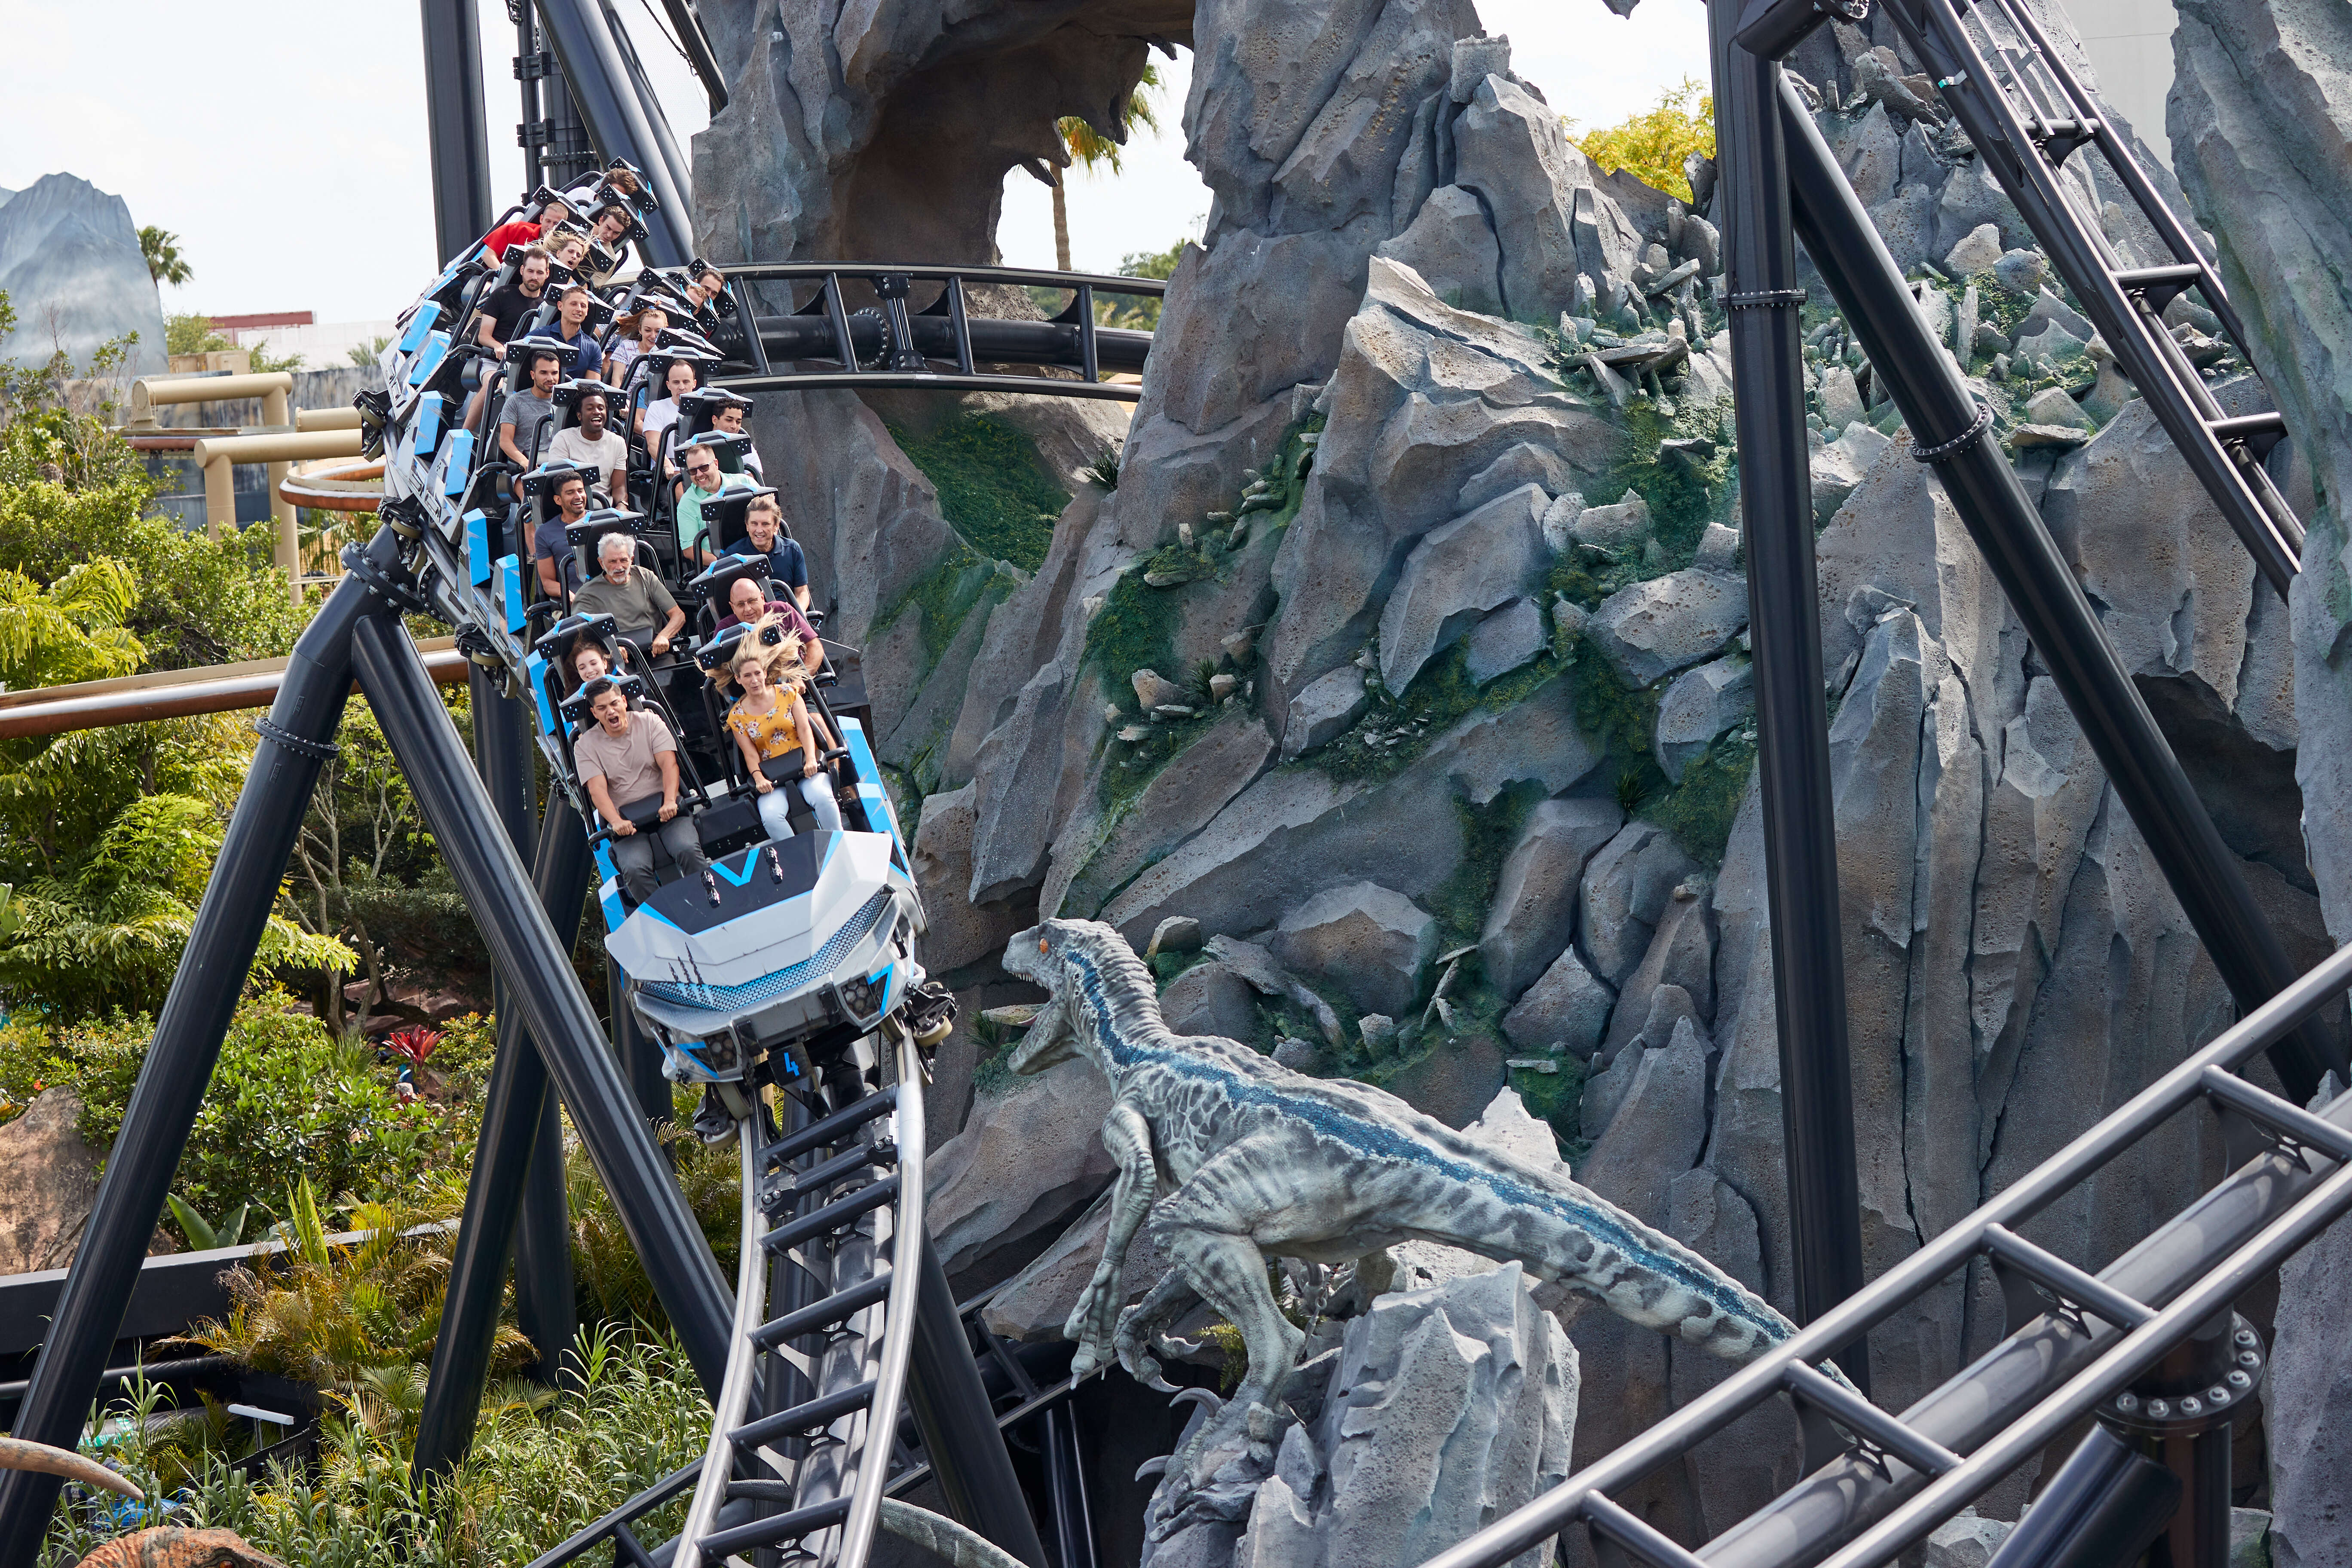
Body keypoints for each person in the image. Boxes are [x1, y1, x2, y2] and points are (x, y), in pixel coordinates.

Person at [573, 679, 709, 903]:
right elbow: (597, 791)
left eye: (614, 704)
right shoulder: (585, 746)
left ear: (624, 701)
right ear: (594, 713)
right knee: (635, 869)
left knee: (686, 848)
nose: (611, 712)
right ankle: (662, 916)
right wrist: (616, 821)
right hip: (628, 825)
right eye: (602, 708)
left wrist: (670, 801)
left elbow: (669, 765)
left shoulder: (650, 721)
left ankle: (707, 899)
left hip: (667, 811)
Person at [720, 635, 843, 842]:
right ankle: (795, 855)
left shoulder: (789, 694)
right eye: (747, 676)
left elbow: (805, 730)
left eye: (757, 673)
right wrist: (759, 778)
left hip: (804, 766)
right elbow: (750, 754)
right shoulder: (737, 717)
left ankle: (839, 842)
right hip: (773, 776)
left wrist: (811, 759)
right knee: (771, 816)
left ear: (765, 673)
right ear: (739, 679)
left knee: (822, 797)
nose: (754, 680)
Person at [465, 247, 551, 432]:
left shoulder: (546, 308)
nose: (534, 277)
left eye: (539, 273)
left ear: (547, 274)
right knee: (495, 383)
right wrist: (498, 346)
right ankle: (465, 432)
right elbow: (484, 335)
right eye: (530, 271)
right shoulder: (502, 295)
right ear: (522, 270)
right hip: (495, 363)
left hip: (527, 369)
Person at [573, 533, 686, 658]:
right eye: (612, 561)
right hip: (614, 658)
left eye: (623, 560)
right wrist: (609, 649)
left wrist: (664, 636)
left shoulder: (645, 576)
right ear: (601, 563)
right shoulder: (587, 594)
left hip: (654, 650)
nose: (619, 567)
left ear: (631, 559)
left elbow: (678, 615)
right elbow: (580, 637)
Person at [711, 573, 824, 674]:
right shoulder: (724, 630)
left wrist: (802, 679)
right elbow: (717, 673)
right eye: (741, 605)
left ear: (762, 598)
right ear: (733, 607)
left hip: (792, 677)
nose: (748, 609)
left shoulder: (781, 610)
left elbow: (815, 647)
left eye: (752, 601)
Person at [546, 386, 629, 507]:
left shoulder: (618, 442)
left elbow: (619, 487)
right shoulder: (563, 439)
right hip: (573, 504)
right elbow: (560, 484)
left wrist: (622, 505)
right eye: (590, 409)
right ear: (580, 416)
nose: (597, 412)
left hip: (604, 505)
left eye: (601, 408)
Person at [498, 347, 566, 493]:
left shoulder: (565, 404)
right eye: (544, 373)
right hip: (525, 469)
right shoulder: (516, 401)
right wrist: (525, 462)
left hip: (559, 468)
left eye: (555, 373)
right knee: (531, 496)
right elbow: (505, 441)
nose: (551, 378)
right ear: (533, 375)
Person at [674, 443, 753, 568]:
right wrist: (728, 564)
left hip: (758, 553)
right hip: (721, 566)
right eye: (693, 471)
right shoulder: (687, 504)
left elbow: (770, 517)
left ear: (716, 464)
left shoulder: (745, 483)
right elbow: (689, 550)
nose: (699, 474)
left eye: (704, 467)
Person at [727, 493, 810, 611]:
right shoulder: (733, 555)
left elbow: (802, 592)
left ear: (776, 526)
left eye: (765, 524)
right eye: (754, 524)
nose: (759, 530)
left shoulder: (792, 549)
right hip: (750, 615)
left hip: (788, 614)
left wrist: (797, 614)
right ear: (747, 526)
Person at [531, 473, 592, 600]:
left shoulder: (600, 521)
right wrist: (568, 595)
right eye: (570, 493)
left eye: (581, 491)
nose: (578, 497)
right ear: (558, 500)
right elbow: (548, 582)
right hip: (573, 600)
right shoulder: (545, 533)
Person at [526, 283, 605, 380]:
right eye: (574, 304)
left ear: (587, 311)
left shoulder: (593, 347)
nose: (579, 309)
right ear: (561, 306)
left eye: (583, 306)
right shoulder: (539, 336)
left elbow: (592, 386)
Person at [638, 358, 698, 446]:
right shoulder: (657, 408)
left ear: (694, 384)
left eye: (686, 382)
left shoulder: (702, 410)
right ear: (668, 385)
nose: (682, 387)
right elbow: (653, 445)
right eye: (676, 383)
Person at [482, 199, 569, 259]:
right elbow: (488, 255)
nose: (550, 227)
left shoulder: (563, 249)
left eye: (556, 224)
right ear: (541, 219)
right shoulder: (517, 229)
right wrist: (501, 276)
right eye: (548, 221)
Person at [606, 305, 666, 388]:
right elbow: (617, 381)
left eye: (658, 331)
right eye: (648, 330)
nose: (653, 336)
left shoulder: (666, 355)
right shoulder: (626, 346)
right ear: (640, 330)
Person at [710, 401, 765, 481]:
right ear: (715, 420)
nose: (734, 426)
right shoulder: (699, 445)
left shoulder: (745, 447)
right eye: (729, 420)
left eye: (738, 422)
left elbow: (755, 483)